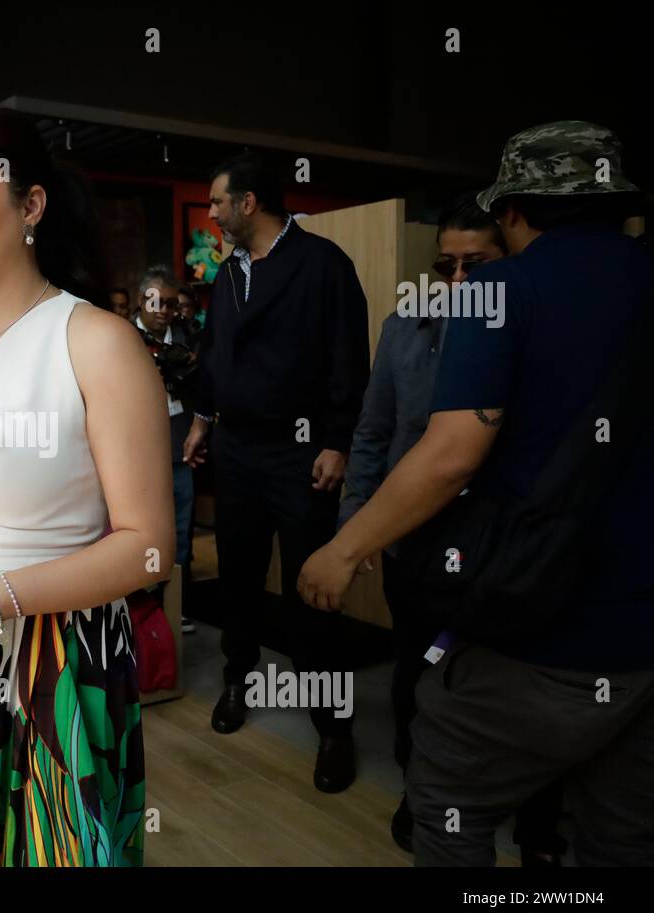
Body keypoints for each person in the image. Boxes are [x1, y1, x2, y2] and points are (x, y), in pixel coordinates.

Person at [299, 121, 653, 865]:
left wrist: (343, 548)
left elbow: (451, 454)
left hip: (547, 628)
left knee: (448, 802)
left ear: (515, 213)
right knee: (621, 836)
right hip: (642, 639)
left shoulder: (503, 289)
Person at [0, 105, 174, 866]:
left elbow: (148, 551)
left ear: (30, 205)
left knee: (51, 846)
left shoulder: (94, 343)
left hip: (55, 657)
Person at [339, 191, 565, 862]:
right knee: (420, 677)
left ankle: (541, 827)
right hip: (422, 543)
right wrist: (357, 525)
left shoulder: (537, 327)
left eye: (479, 263)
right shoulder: (404, 328)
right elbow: (374, 431)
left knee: (525, 691)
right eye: (448, 267)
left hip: (512, 549)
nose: (463, 282)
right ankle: (424, 791)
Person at [183, 150, 369, 792]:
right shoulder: (227, 274)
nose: (209, 213)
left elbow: (350, 359)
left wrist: (338, 441)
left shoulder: (323, 266)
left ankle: (333, 725)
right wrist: (203, 419)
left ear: (249, 203)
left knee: (311, 588)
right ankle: (237, 681)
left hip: (301, 453)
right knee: (236, 576)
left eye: (216, 202)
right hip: (236, 451)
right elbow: (214, 355)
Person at [134, 265, 202, 630]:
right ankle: (145, 608)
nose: (162, 308)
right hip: (138, 451)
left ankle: (178, 607)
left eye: (170, 303)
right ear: (141, 301)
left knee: (181, 527)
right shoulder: (124, 336)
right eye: (154, 301)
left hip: (180, 443)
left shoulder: (188, 336)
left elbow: (203, 385)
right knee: (143, 527)